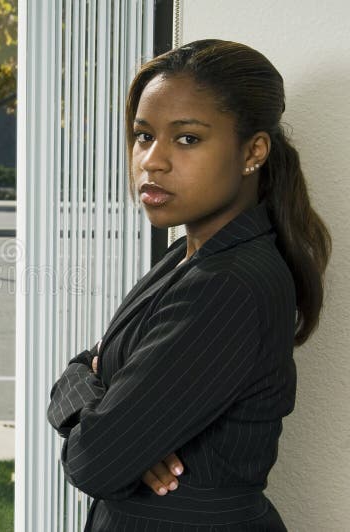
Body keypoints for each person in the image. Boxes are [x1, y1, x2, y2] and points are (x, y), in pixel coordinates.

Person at [47, 39, 331, 531]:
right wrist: (115, 422)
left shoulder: (228, 285)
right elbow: (79, 371)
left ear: (253, 152)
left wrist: (116, 435)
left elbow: (93, 460)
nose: (151, 161)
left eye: (187, 139)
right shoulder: (187, 255)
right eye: (142, 136)